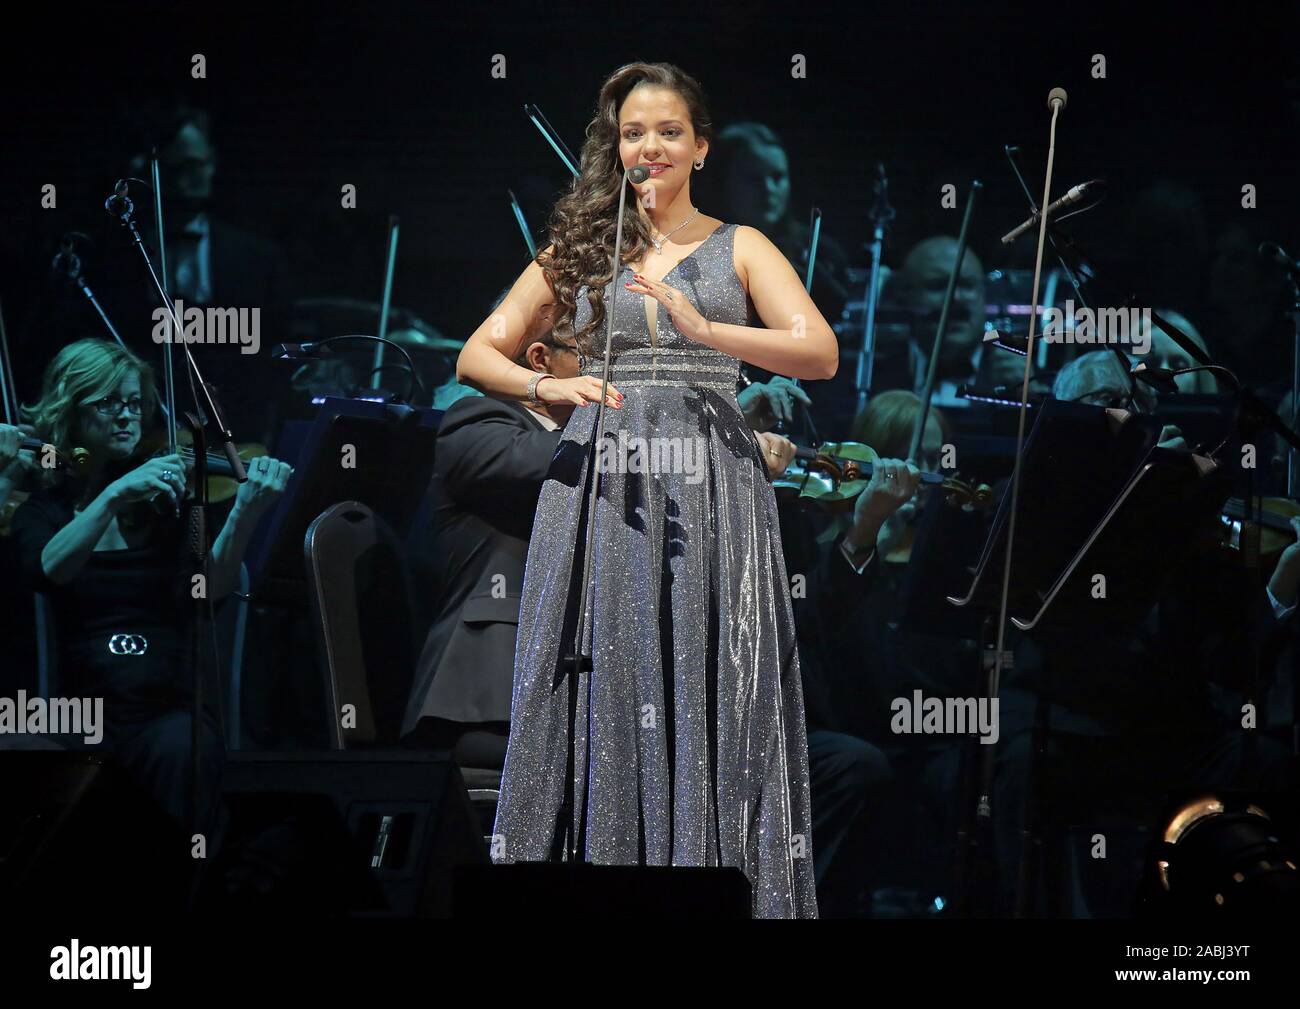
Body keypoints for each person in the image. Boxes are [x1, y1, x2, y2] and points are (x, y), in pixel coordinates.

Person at [454, 62, 837, 919]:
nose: (649, 147)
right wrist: (548, 389)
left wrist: (707, 328)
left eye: (668, 132)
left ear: (700, 146)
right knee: (612, 668)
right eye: (633, 133)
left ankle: (715, 881)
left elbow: (817, 350)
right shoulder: (582, 250)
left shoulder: (739, 246)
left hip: (712, 491)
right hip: (604, 485)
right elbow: (479, 353)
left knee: (713, 668)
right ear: (615, 147)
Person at [9, 339, 291, 828]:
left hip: (164, 711)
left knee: (184, 750)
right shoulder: (45, 512)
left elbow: (210, 589)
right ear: (72, 411)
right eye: (109, 403)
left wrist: (245, 512)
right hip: (80, 714)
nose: (127, 416)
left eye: (135, 403)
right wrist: (115, 494)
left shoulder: (172, 506)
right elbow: (50, 568)